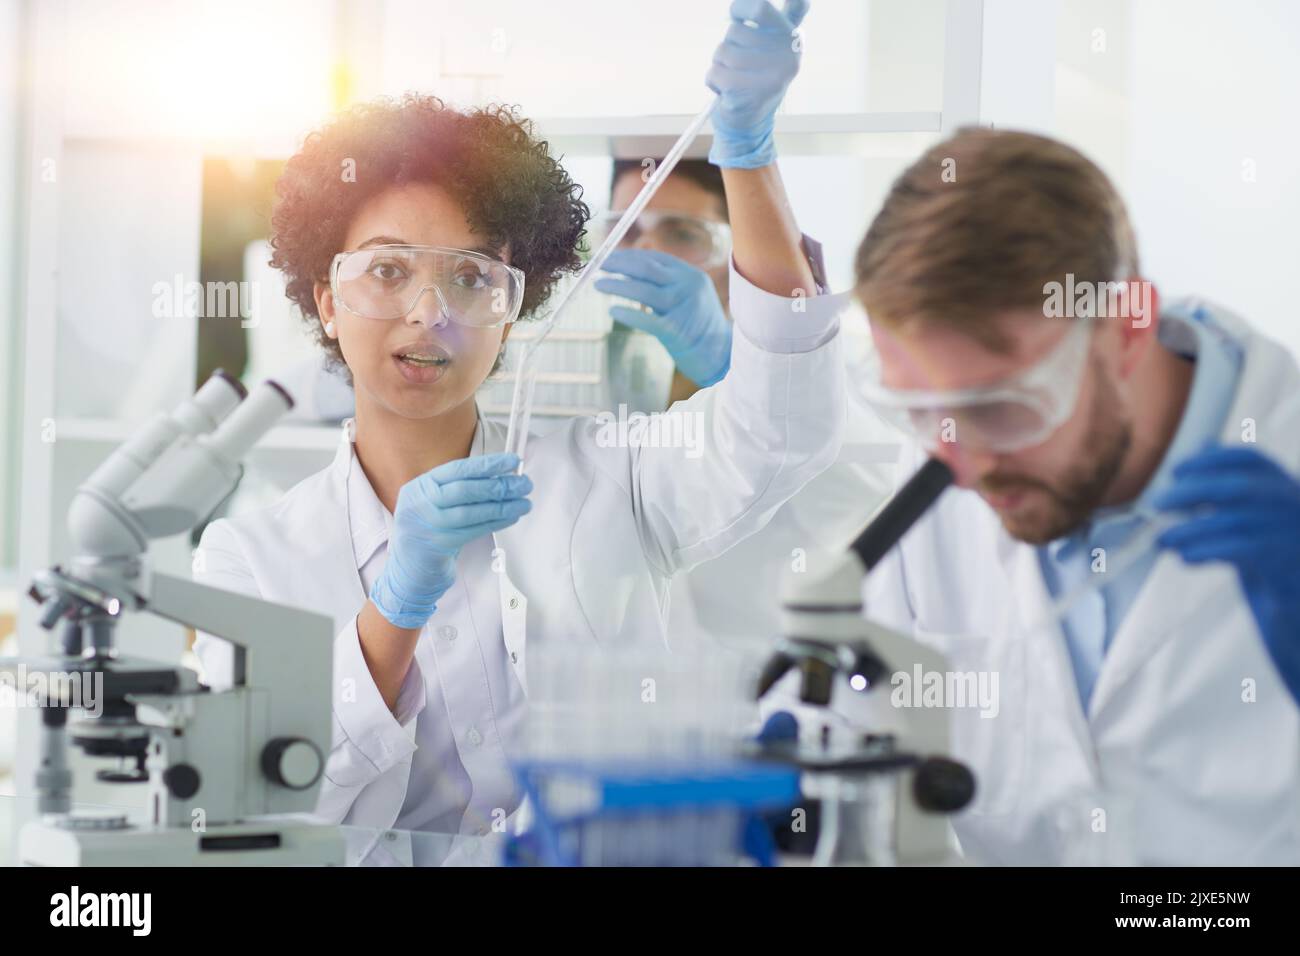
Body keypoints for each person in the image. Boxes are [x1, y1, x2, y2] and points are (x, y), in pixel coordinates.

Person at [192, 0, 848, 839]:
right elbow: (252, 811)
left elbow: (779, 430)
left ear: (515, 307)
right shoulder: (251, 561)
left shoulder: (610, 477)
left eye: (470, 278)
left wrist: (748, 153)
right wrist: (395, 609)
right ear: (326, 297)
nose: (428, 314)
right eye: (387, 270)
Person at [837, 127, 1300, 864]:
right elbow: (860, 726)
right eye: (922, 409)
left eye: (1002, 406)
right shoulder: (948, 450)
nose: (963, 465)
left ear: (1124, 330)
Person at [595, 164, 899, 651]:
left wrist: (742, 375)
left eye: (682, 232)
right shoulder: (582, 359)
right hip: (624, 682)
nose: (646, 249)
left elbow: (866, 484)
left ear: (738, 251)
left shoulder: (817, 354)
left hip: (766, 670)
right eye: (626, 230)